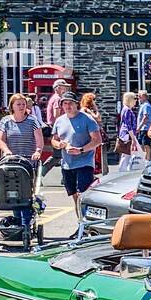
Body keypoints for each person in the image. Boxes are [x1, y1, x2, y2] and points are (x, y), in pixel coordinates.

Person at [0, 93, 45, 231]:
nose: (22, 107)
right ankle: (18, 222)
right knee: (12, 190)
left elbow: (39, 140)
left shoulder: (33, 120)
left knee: (26, 193)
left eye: (23, 104)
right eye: (18, 104)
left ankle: (26, 224)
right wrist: (6, 150)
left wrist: (37, 151)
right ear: (12, 106)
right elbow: (1, 140)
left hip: (28, 161)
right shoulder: (6, 121)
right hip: (11, 161)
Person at [50, 91, 102, 219]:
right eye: (65, 103)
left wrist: (81, 150)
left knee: (82, 195)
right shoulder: (60, 121)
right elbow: (54, 139)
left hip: (84, 162)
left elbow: (97, 140)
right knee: (74, 196)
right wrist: (59, 145)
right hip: (67, 164)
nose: (68, 106)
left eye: (70, 103)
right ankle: (81, 223)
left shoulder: (87, 119)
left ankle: (86, 225)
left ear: (76, 104)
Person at [39, 78, 69, 177]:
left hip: (55, 127)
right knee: (58, 154)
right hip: (58, 128)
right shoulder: (57, 99)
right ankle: (39, 174)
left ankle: (65, 176)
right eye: (64, 87)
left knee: (61, 154)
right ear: (58, 88)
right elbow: (57, 115)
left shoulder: (55, 97)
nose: (66, 88)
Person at [79, 92, 106, 174]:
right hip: (89, 134)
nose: (95, 101)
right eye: (94, 100)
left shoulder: (89, 110)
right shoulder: (85, 110)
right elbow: (98, 118)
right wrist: (96, 109)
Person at [116, 91, 141, 172]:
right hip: (128, 135)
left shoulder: (126, 109)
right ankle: (122, 172)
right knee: (127, 154)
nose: (136, 100)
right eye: (135, 98)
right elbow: (128, 125)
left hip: (126, 134)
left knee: (126, 154)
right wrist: (133, 138)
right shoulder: (127, 110)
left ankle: (123, 171)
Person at [134, 90, 151, 163]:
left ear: (144, 96)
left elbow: (145, 117)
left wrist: (139, 128)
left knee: (146, 144)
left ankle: (148, 160)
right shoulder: (143, 105)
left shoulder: (146, 105)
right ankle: (145, 159)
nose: (138, 97)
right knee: (143, 144)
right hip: (143, 128)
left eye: (139, 95)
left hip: (146, 128)